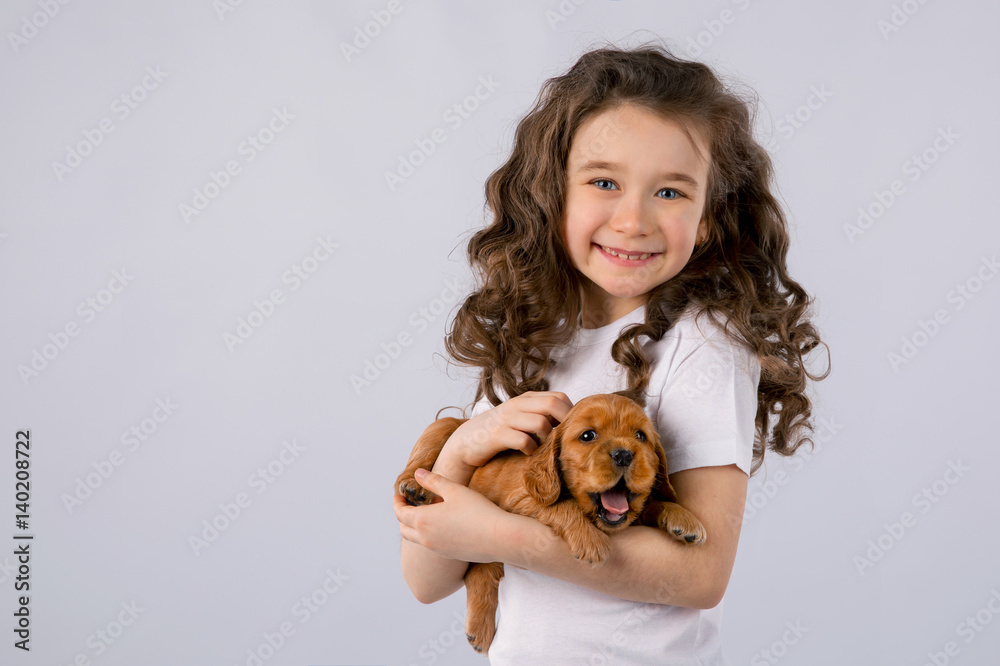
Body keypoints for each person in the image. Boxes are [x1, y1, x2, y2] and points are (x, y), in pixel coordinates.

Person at [393, 40, 828, 664]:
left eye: (670, 192)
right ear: (552, 195)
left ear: (708, 219)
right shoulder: (535, 339)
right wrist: (459, 451)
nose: (632, 220)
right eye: (604, 182)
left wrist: (501, 536)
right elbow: (425, 580)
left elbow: (701, 575)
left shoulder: (703, 343)